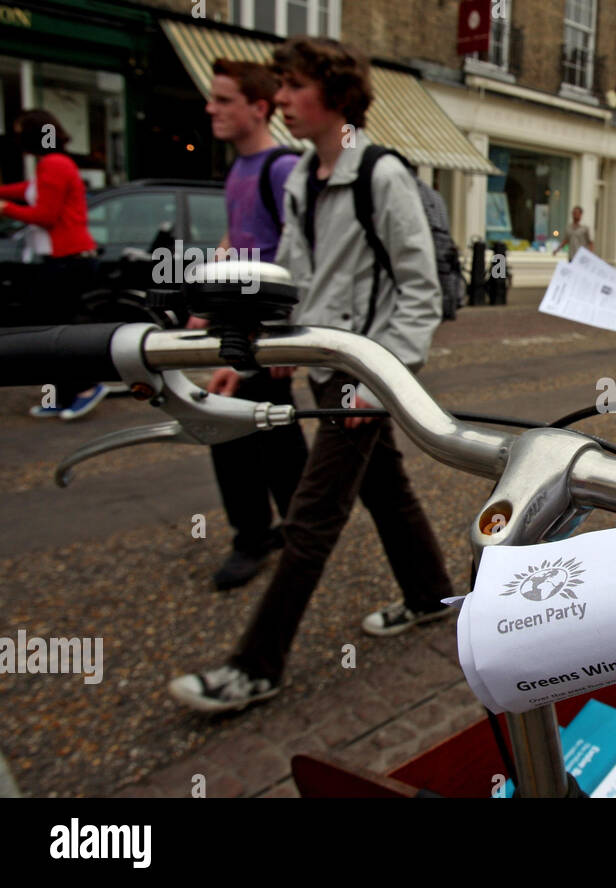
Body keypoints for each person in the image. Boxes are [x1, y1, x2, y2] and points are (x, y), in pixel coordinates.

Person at [169, 36, 455, 713]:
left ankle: (256, 666)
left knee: (312, 515)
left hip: (365, 371)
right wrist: (261, 350)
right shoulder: (301, 177)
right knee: (386, 490)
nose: (284, 101)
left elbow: (420, 294)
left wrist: (373, 379)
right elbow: (298, 277)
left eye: (295, 87)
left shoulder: (383, 174)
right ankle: (429, 596)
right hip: (328, 368)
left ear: (335, 95)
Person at [191, 59, 309, 591]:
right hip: (238, 318)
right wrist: (205, 301)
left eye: (223, 100)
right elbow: (237, 238)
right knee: (269, 427)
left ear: (258, 108)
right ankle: (290, 527)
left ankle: (257, 537)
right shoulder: (238, 168)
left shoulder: (281, 168)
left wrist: (287, 333)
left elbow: (302, 252)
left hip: (266, 326)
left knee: (236, 424)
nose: (211, 108)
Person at [0, 110, 102, 419]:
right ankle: (56, 397)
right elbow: (28, 191)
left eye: (20, 134)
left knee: (58, 331)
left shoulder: (53, 164)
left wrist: (5, 208)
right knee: (51, 329)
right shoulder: (53, 165)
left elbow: (46, 214)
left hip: (65, 262)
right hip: (60, 260)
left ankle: (85, 388)